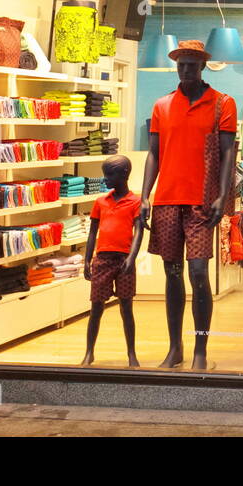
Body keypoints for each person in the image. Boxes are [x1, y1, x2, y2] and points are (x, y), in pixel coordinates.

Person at [141, 39, 238, 371]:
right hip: (167, 200)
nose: (185, 70)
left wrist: (222, 195)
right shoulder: (162, 105)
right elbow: (154, 153)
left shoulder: (222, 104)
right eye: (181, 64)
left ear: (202, 66)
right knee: (172, 274)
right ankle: (174, 347)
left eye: (192, 65)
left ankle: (200, 348)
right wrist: (144, 197)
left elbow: (228, 153)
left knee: (198, 272)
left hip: (201, 201)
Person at [81, 155, 143, 367]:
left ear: (123, 175)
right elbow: (92, 233)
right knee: (96, 308)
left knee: (127, 308)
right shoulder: (100, 202)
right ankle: (89, 352)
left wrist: (132, 257)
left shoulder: (136, 202)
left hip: (124, 260)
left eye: (109, 174)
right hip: (103, 260)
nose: (105, 179)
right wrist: (87, 260)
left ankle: (132, 354)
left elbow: (138, 232)